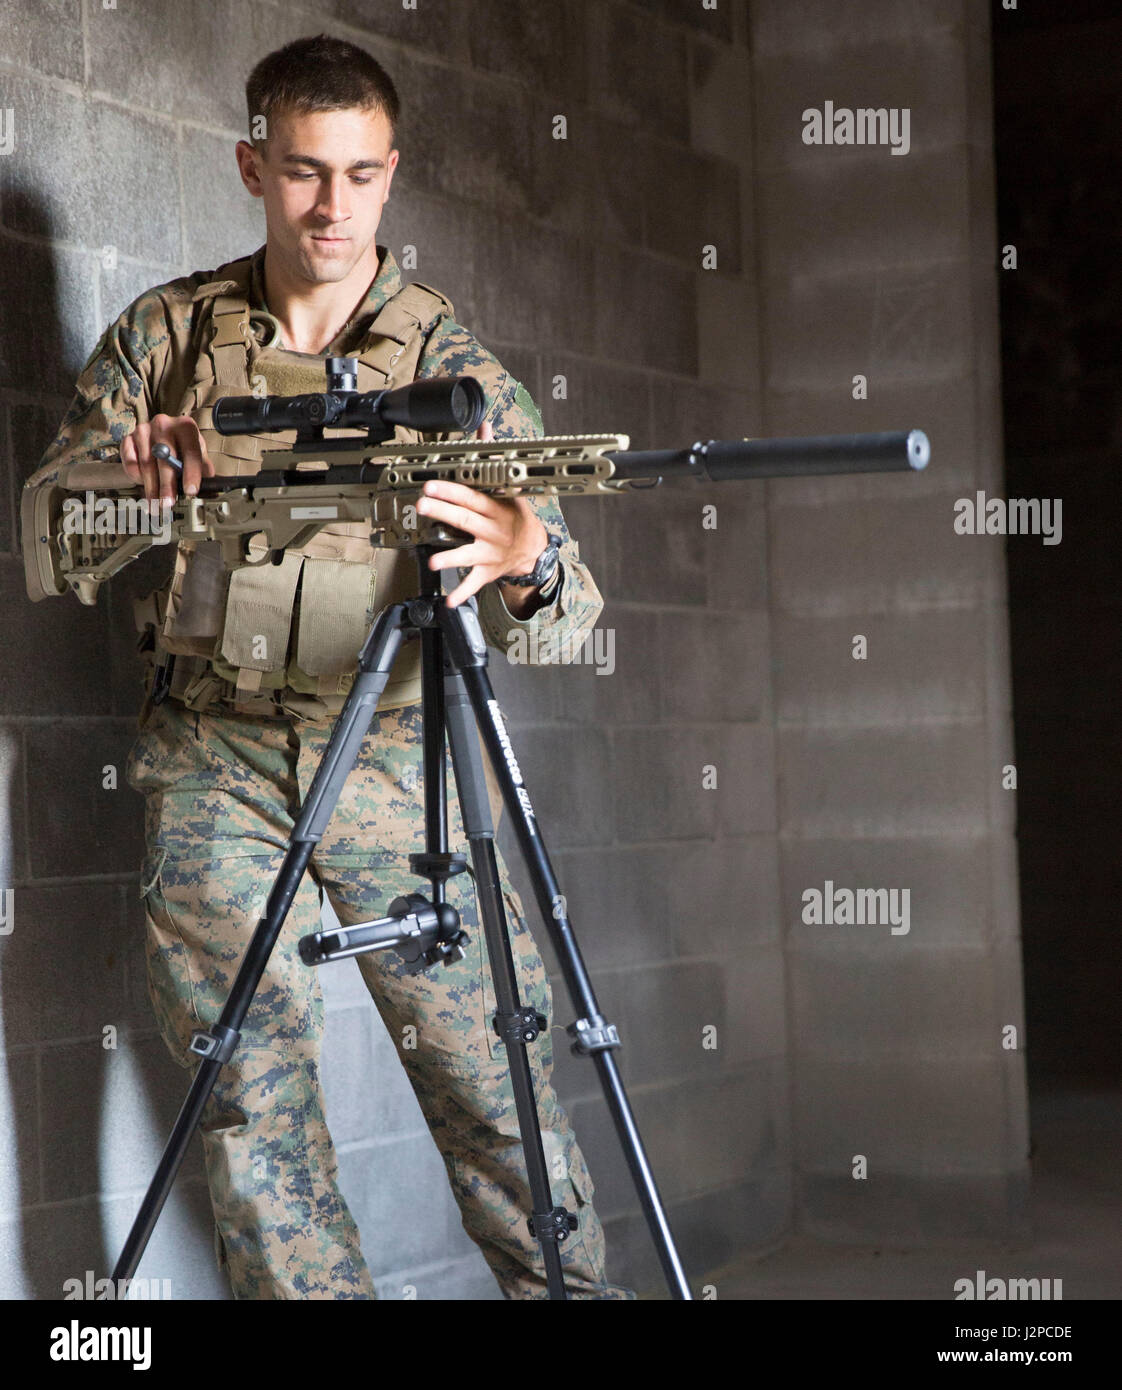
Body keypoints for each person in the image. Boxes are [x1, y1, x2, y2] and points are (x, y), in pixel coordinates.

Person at [23, 33, 632, 1302]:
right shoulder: (169, 340)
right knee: (249, 1111)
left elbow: (568, 612)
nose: (333, 207)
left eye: (360, 175)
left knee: (500, 1088)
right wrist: (128, 483)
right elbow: (51, 539)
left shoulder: (449, 368)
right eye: (303, 172)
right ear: (254, 166)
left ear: (392, 175)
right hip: (215, 762)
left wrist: (524, 549)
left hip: (398, 767)